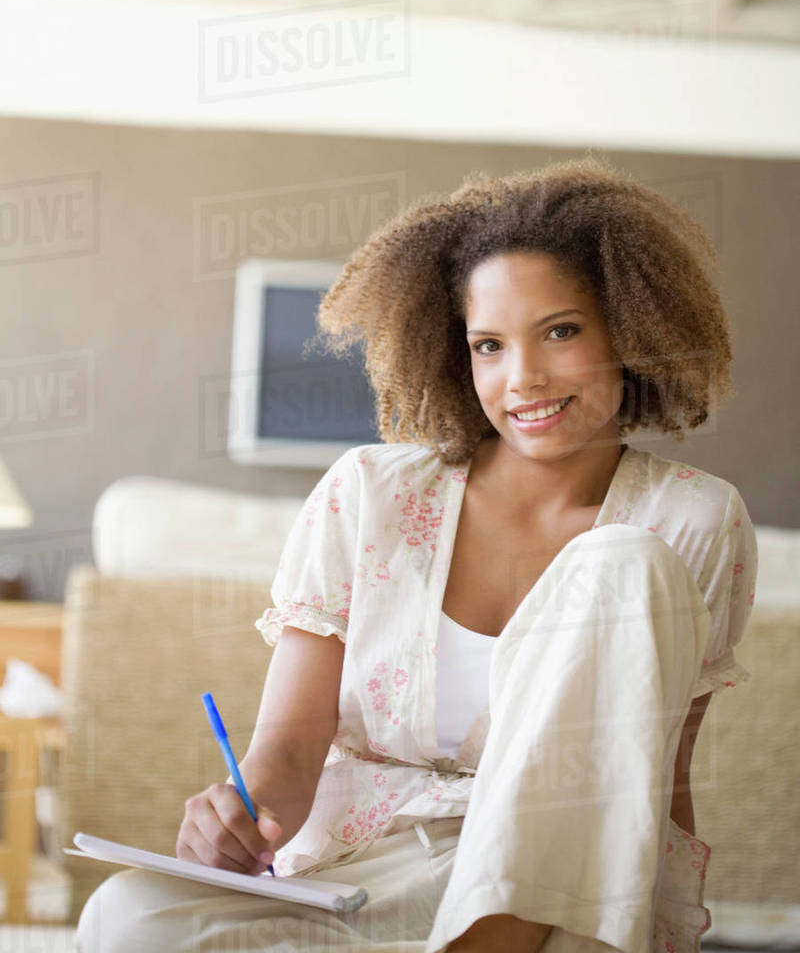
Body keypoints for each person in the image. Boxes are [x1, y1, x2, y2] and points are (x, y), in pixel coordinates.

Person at [76, 155, 758, 953]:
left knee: (625, 562)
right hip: (369, 877)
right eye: (489, 345)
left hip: (557, 896)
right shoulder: (368, 493)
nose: (524, 377)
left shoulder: (692, 519)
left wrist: (670, 924)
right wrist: (236, 815)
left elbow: (656, 768)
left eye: (561, 332)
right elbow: (290, 751)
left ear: (631, 331)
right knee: (126, 917)